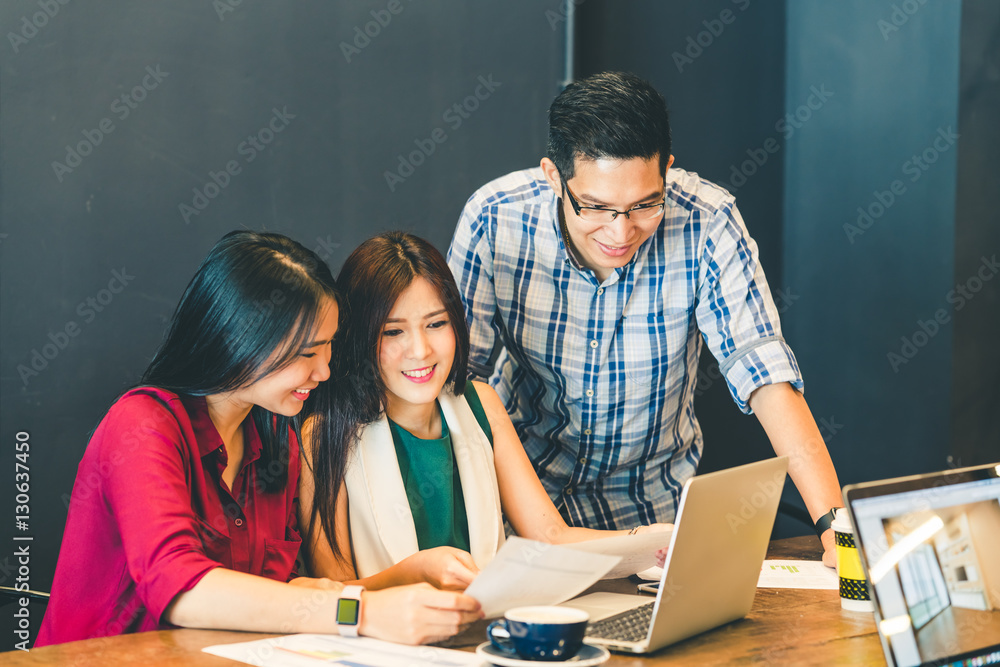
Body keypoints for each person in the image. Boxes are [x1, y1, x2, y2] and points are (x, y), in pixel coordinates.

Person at [446, 71, 843, 566]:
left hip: (653, 521)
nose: (621, 231)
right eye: (596, 207)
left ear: (667, 171)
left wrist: (835, 527)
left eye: (644, 205)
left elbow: (763, 374)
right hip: (522, 511)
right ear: (553, 177)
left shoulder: (707, 221)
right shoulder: (495, 218)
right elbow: (457, 384)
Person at [37, 231, 480, 647]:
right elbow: (180, 589)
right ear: (239, 340)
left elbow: (285, 597)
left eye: (329, 347)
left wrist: (410, 574)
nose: (324, 371)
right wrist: (364, 612)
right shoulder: (143, 424)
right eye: (307, 353)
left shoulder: (271, 442)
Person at [299, 231, 669, 588]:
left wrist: (648, 542)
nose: (421, 350)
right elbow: (335, 591)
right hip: (390, 643)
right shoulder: (326, 433)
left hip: (486, 628)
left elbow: (551, 536)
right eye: (393, 332)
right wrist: (416, 572)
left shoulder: (481, 403)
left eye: (436, 324)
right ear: (359, 337)